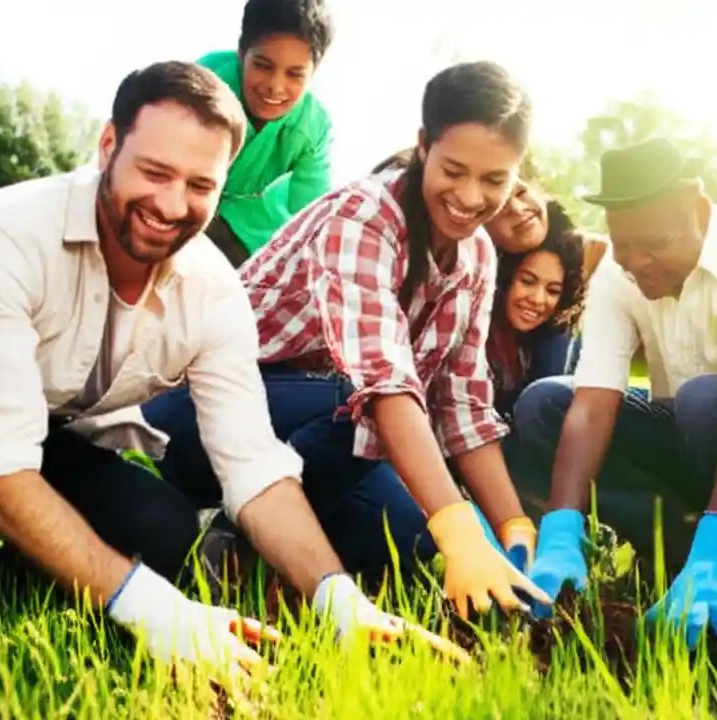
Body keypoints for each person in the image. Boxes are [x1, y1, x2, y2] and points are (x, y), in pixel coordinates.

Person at [0, 61, 440, 684]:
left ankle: (32, 570)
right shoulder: (0, 237)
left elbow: (252, 463)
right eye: (154, 172)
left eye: (199, 185)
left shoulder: (213, 288)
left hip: (49, 431)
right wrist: (156, 612)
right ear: (108, 144)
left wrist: (339, 600)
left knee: (163, 530)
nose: (170, 205)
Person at [154, 60, 550, 621]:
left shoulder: (478, 256)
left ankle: (274, 532)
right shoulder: (364, 216)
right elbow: (384, 387)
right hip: (197, 410)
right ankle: (229, 540)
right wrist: (461, 527)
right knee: (363, 405)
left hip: (313, 433)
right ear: (422, 147)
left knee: (412, 537)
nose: (469, 196)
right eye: (455, 170)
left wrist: (513, 527)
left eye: (494, 180)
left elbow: (460, 402)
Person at [514, 137, 717, 644]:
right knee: (545, 406)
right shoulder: (616, 271)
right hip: (679, 435)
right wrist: (562, 528)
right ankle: (676, 543)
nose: (637, 261)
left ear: (699, 208)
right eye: (623, 244)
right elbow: (591, 405)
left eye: (655, 242)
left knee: (704, 400)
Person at [199, 0, 334, 266]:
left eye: (295, 74)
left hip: (247, 234)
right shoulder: (206, 81)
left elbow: (312, 220)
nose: (275, 86)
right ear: (241, 52)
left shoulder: (312, 127)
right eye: (263, 65)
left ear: (313, 72)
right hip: (188, 205)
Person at [486, 222, 589, 417]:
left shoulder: (551, 338)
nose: (538, 299)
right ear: (505, 278)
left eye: (553, 291)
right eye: (527, 281)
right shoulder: (478, 329)